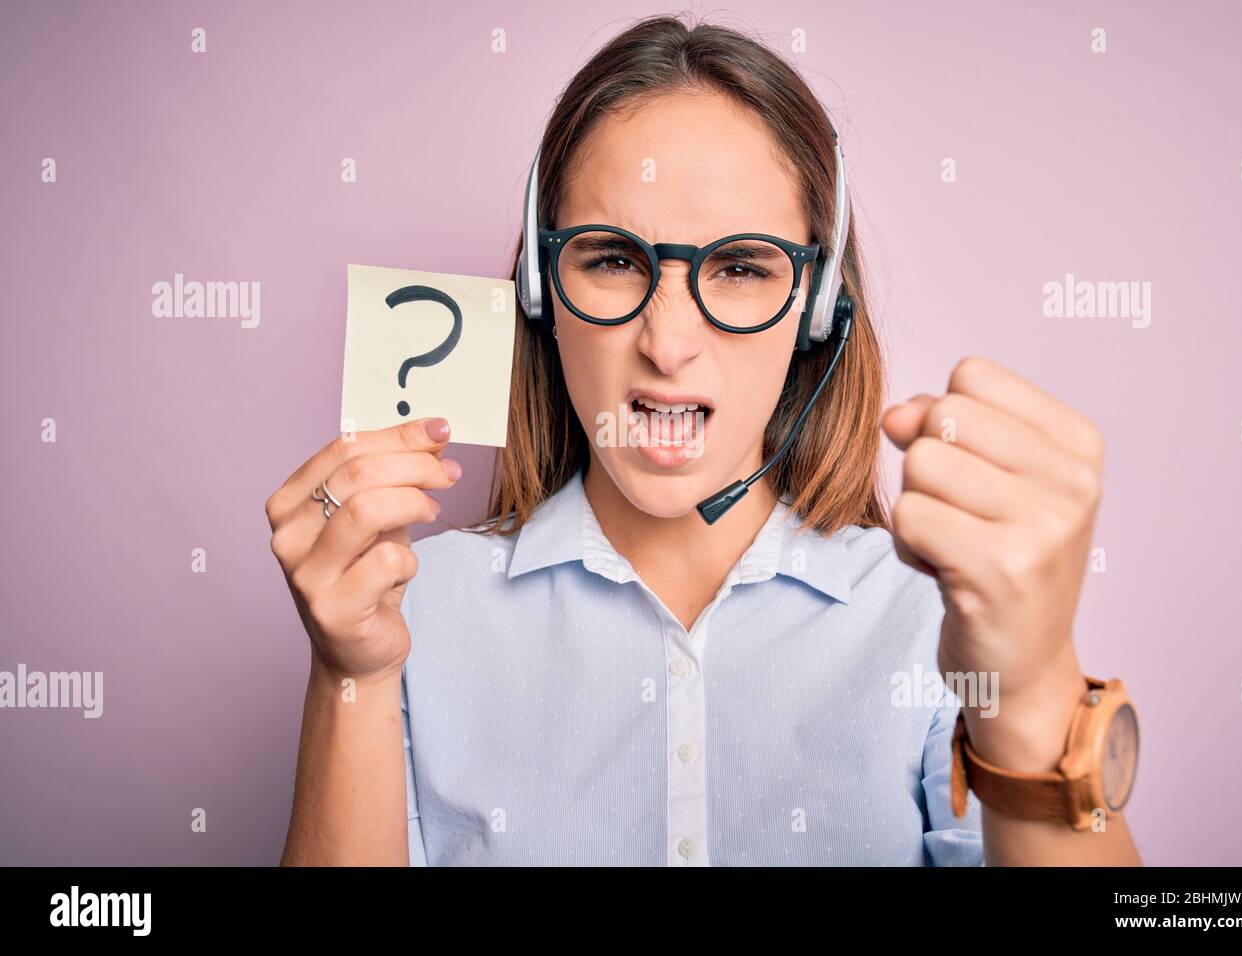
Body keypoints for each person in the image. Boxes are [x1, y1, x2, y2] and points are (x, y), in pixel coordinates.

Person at [268, 15, 1141, 866]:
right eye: (612, 258)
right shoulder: (412, 613)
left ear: (818, 304)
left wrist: (1030, 689)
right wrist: (353, 677)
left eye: (740, 266)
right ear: (540, 289)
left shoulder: (930, 621)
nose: (668, 341)